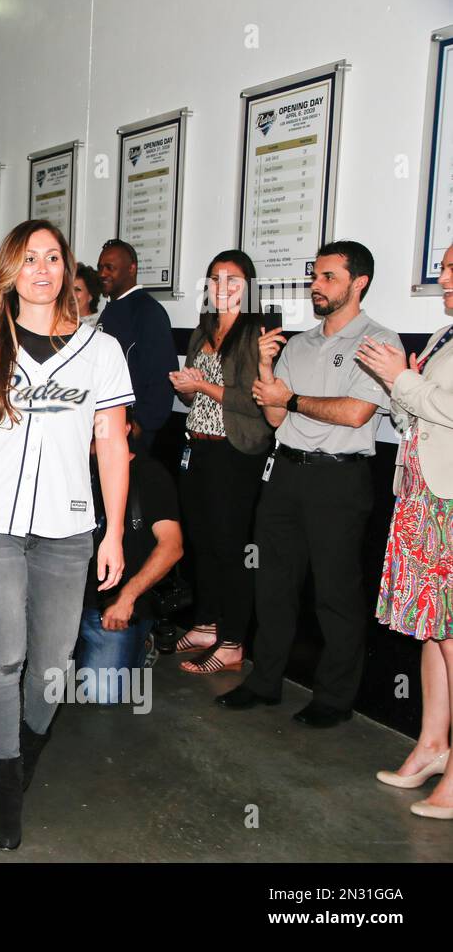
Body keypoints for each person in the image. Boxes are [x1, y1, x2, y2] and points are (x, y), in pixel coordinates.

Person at [0, 220, 133, 849]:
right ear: (12, 270)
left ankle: (26, 746)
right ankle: (7, 783)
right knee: (3, 657)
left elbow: (112, 442)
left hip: (68, 529)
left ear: (67, 269)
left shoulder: (100, 350)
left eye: (54, 257)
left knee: (53, 668)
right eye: (30, 258)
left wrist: (114, 531)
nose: (43, 268)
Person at [218, 241, 402, 727]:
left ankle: (335, 699)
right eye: (314, 276)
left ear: (358, 282)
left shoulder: (380, 342)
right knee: (274, 585)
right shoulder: (298, 344)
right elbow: (276, 416)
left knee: (334, 593)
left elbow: (356, 412)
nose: (315, 285)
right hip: (285, 473)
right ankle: (264, 682)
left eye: (327, 277)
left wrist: (291, 396)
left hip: (338, 480)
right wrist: (262, 367)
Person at [358, 243, 453, 817]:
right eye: (442, 266)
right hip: (421, 496)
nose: (442, 277)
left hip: (450, 503)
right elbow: (417, 413)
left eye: (451, 267)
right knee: (431, 628)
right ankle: (433, 744)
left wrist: (404, 381)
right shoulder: (444, 335)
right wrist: (399, 386)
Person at [168, 251, 273, 674]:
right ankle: (208, 624)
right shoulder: (202, 331)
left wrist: (205, 387)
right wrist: (187, 388)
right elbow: (191, 395)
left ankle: (233, 643)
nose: (223, 287)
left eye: (233, 280)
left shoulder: (256, 333)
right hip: (198, 446)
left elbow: (256, 400)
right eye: (215, 279)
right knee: (201, 541)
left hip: (236, 451)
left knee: (232, 548)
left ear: (249, 286)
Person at [75, 406, 183, 700]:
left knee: (100, 694)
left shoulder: (149, 474)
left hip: (114, 607)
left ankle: (141, 642)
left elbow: (172, 547)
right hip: (64, 603)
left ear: (128, 429)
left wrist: (127, 597)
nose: (101, 429)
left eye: (110, 421)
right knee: (39, 678)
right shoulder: (70, 470)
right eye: (95, 421)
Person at [96, 238, 176, 452]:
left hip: (130, 434)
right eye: (100, 267)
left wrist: (140, 425)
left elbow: (163, 377)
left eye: (109, 267)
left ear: (131, 269)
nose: (102, 273)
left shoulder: (148, 311)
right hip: (105, 424)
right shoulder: (110, 310)